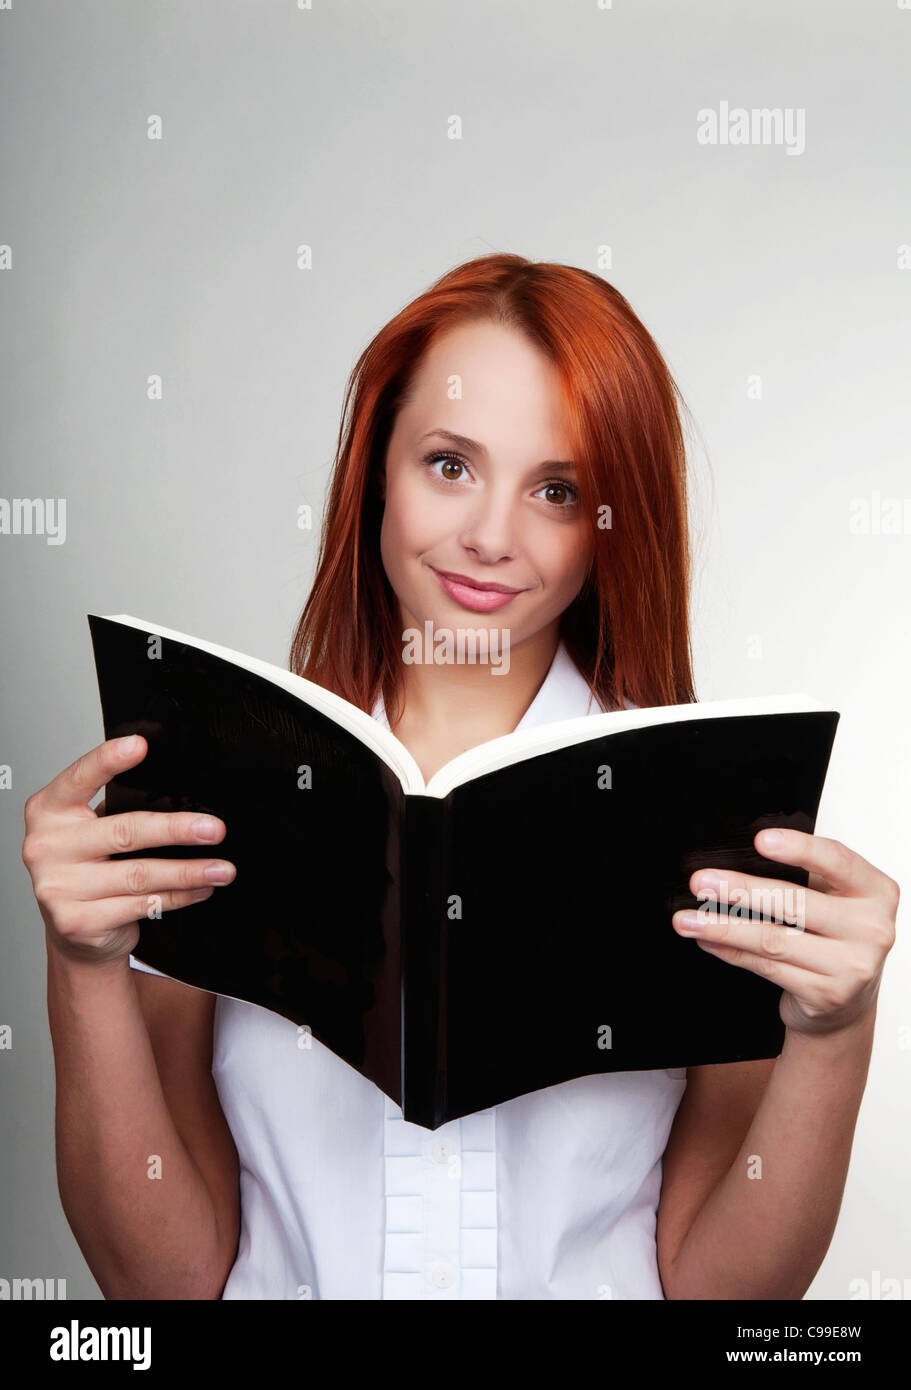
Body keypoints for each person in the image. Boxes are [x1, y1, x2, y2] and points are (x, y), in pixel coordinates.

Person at [22, 254, 898, 1300]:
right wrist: (81, 968)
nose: (489, 535)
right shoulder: (224, 779)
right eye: (449, 465)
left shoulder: (693, 813)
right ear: (374, 470)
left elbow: (724, 1300)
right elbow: (160, 1284)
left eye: (557, 489)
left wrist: (833, 1036)